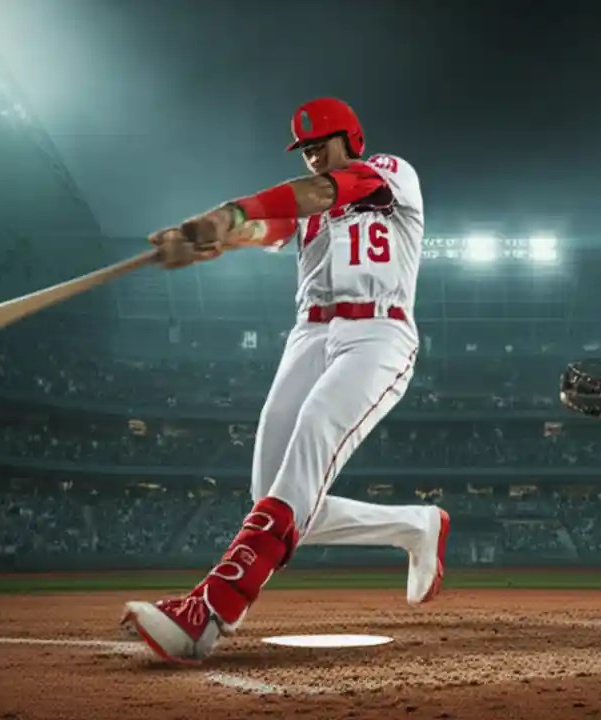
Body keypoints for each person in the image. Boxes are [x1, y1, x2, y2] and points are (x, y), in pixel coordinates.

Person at [121, 97, 449, 664]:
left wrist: (226, 213)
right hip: (310, 337)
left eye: (322, 143)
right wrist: (204, 238)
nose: (314, 156)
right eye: (305, 149)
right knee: (276, 496)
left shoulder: (391, 175)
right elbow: (263, 225)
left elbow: (319, 193)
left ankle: (212, 610)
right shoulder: (308, 210)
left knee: (314, 436)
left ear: (351, 138)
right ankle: (414, 526)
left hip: (377, 334)